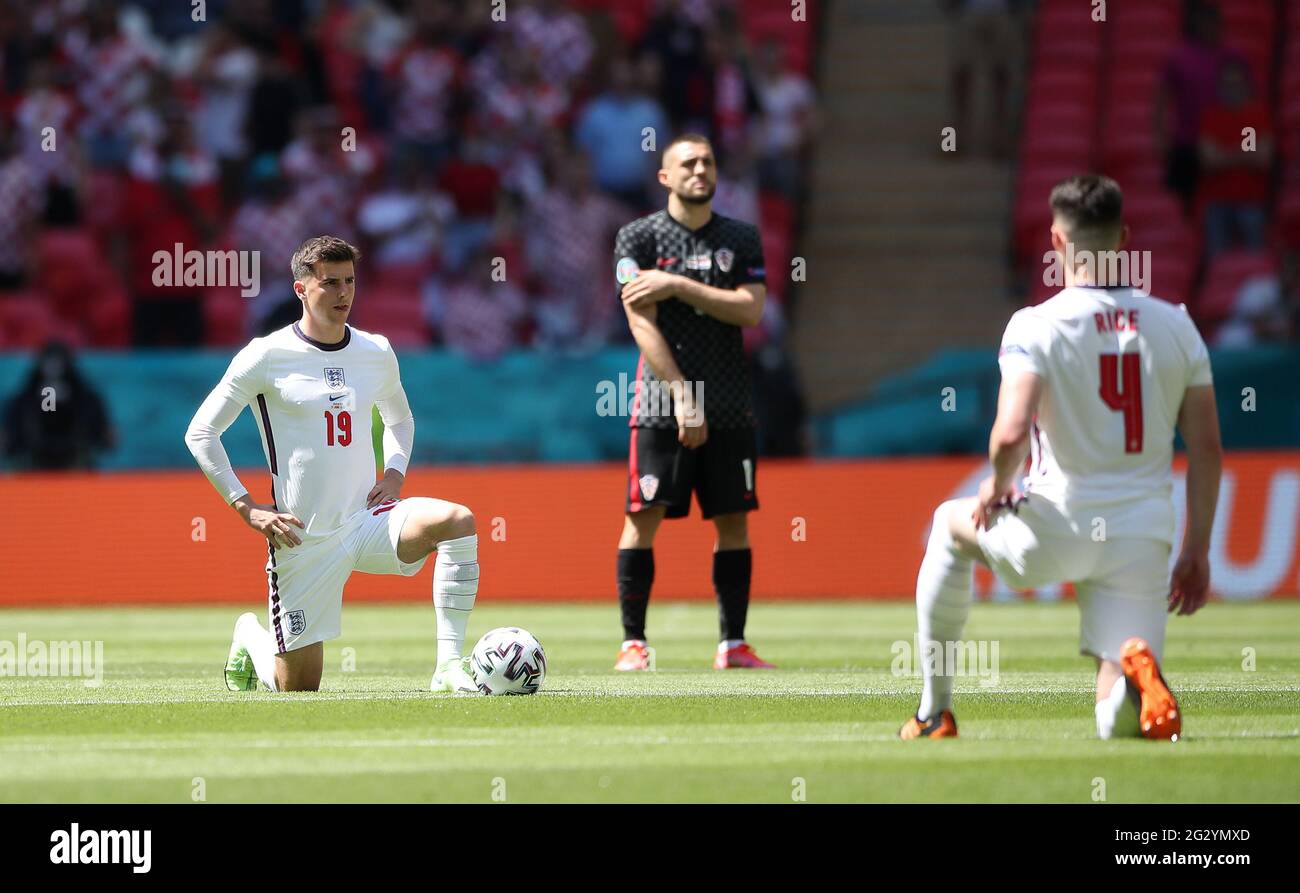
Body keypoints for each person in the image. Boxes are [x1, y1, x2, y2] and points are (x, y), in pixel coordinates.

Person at [901, 175, 1222, 741]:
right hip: (1141, 535)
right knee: (1114, 708)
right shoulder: (1177, 324)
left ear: (1055, 240)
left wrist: (995, 485)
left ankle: (934, 713)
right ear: (1124, 238)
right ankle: (1129, 681)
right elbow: (1208, 449)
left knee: (947, 527)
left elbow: (1010, 434)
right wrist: (1196, 550)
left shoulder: (1036, 325)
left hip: (1056, 524)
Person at [184, 235, 481, 694]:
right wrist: (247, 508)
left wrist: (395, 473)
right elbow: (201, 432)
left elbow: (400, 418)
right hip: (302, 537)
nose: (343, 294)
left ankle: (448, 666)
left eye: (349, 282)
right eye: (330, 283)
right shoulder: (265, 356)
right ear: (302, 289)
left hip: (366, 519)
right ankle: (250, 635)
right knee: (298, 690)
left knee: (457, 520)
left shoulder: (376, 351)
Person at [612, 134, 772, 671]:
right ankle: (634, 644)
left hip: (728, 403)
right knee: (644, 514)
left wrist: (676, 283)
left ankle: (734, 645)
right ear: (665, 177)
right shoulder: (636, 238)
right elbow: (640, 321)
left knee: (733, 519)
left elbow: (750, 311)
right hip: (661, 402)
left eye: (707, 162)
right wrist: (683, 394)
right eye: (687, 163)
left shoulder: (742, 238)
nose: (699, 170)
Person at [1, 340, 115, 470]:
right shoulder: (24, 399)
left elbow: (106, 439)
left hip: (76, 465)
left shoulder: (86, 398)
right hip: (33, 467)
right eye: (49, 363)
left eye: (58, 363)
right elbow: (8, 440)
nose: (54, 369)